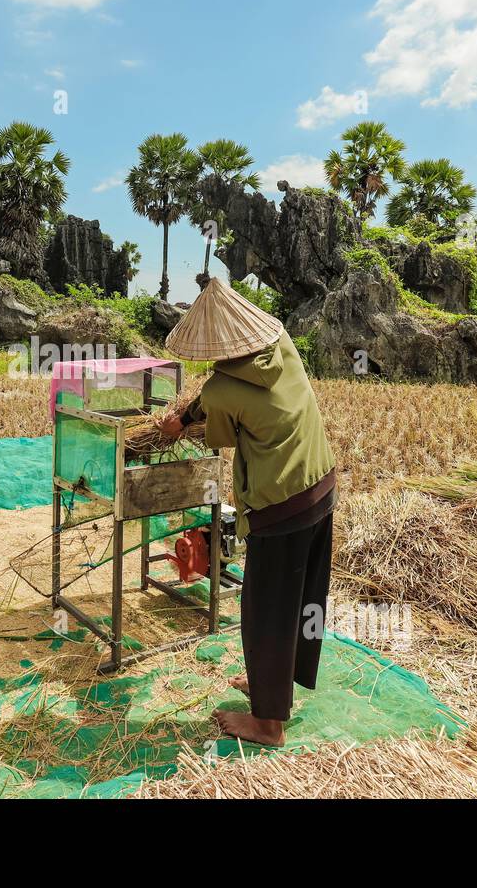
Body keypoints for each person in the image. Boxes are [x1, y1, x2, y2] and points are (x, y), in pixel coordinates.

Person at [159, 278, 336, 746]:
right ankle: (272, 688)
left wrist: (179, 423)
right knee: (301, 598)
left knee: (266, 610)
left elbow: (214, 429)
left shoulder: (220, 391)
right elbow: (214, 400)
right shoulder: (282, 343)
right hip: (320, 484)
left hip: (281, 507)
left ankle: (267, 724)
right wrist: (193, 410)